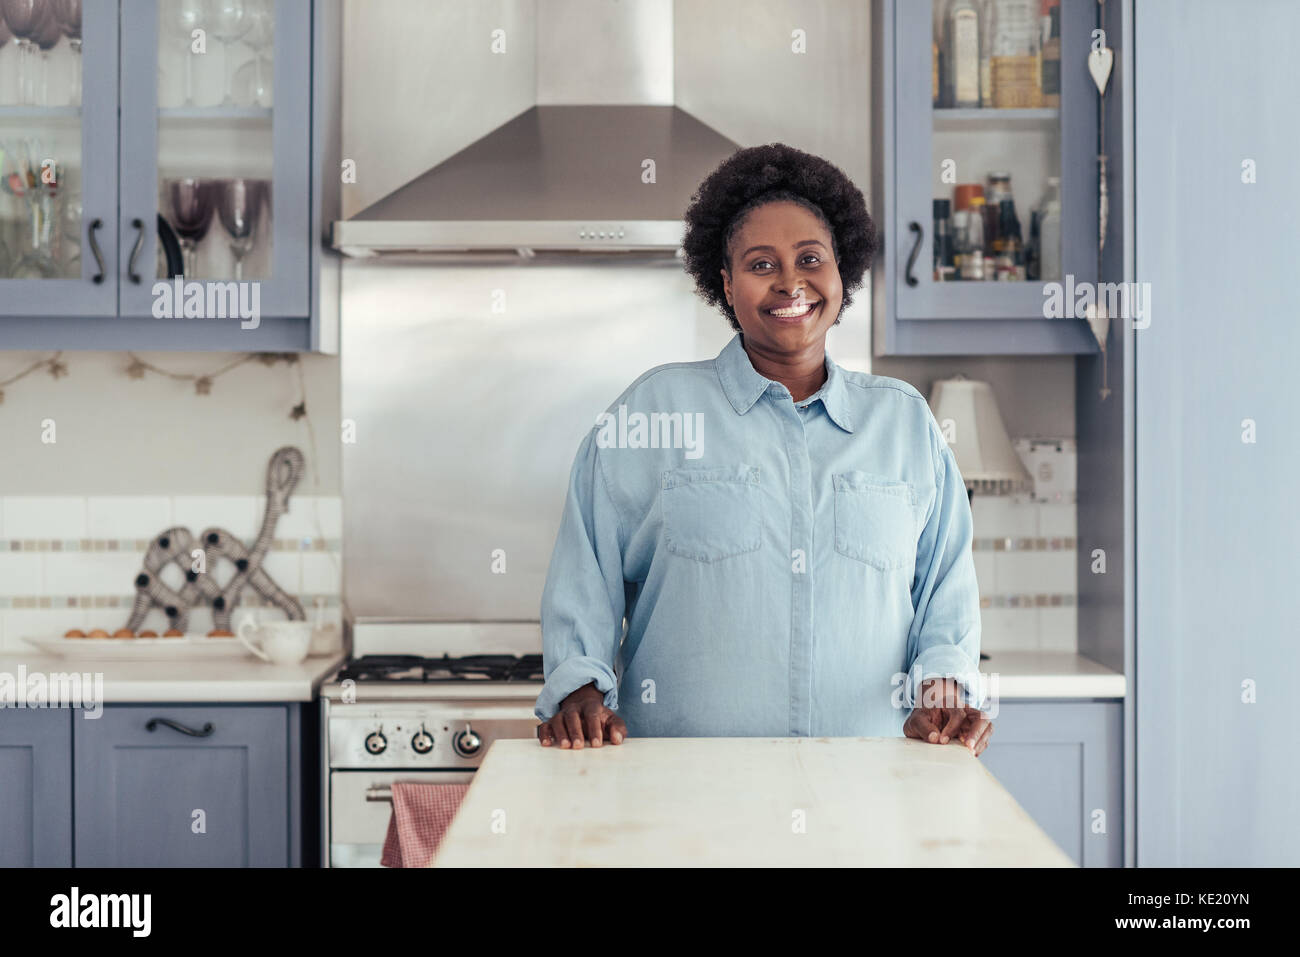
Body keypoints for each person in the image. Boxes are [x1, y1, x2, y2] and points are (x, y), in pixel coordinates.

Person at [533, 143, 991, 755]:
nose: (790, 282)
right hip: (683, 794)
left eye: (809, 258)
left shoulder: (904, 423)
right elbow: (584, 574)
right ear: (725, 283)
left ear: (841, 272)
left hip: (868, 792)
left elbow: (944, 593)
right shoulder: (653, 413)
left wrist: (943, 695)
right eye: (760, 264)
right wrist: (580, 692)